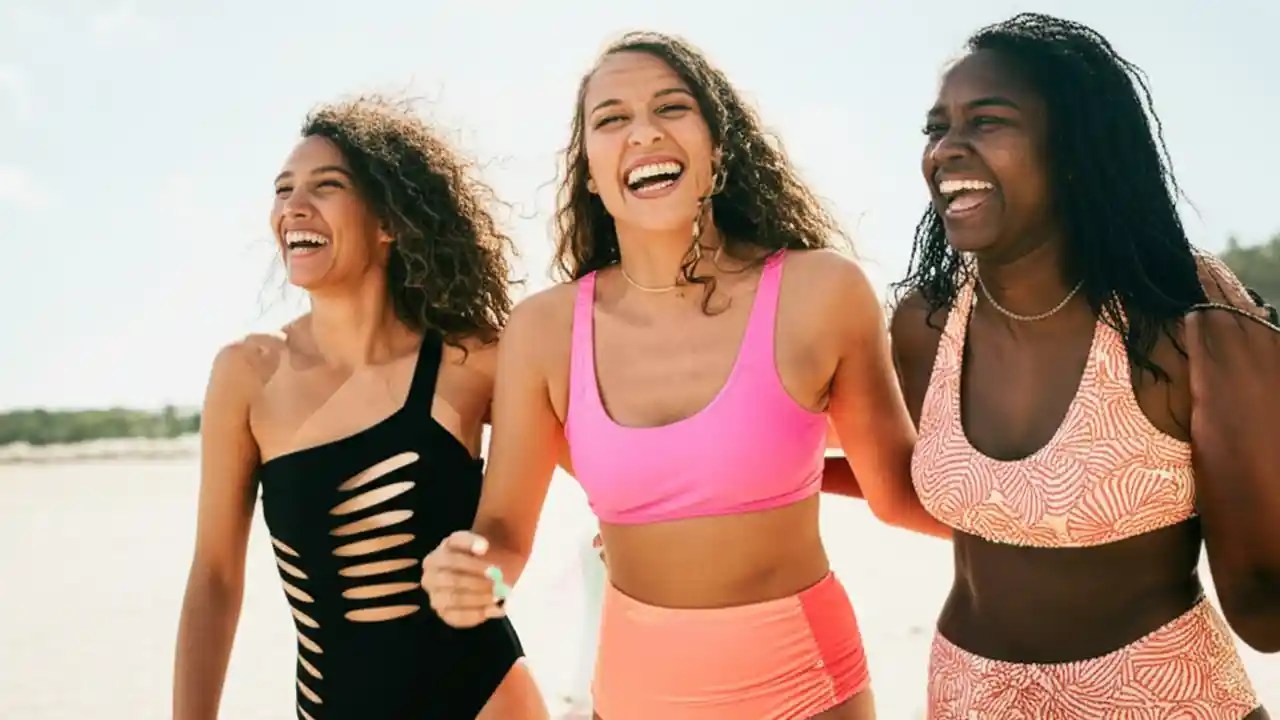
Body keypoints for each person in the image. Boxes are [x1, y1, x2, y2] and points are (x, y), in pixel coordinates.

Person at [420, 31, 948, 720]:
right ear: (589, 170)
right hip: (634, 702)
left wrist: (1086, 522)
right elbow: (504, 542)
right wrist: (478, 579)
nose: (643, 132)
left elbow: (903, 494)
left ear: (716, 147)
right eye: (612, 119)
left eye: (671, 108)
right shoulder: (545, 332)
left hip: (811, 695)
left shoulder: (820, 294)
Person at [893, 13, 1277, 718]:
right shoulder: (926, 326)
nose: (947, 147)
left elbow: (1264, 609)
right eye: (937, 126)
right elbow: (971, 494)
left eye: (987, 121)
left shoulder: (1184, 334)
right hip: (965, 701)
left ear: (1074, 150)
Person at [172, 96, 547, 720]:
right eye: (283, 189)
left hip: (487, 702)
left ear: (388, 222)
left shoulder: (472, 360)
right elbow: (214, 577)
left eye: (327, 185)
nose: (294, 206)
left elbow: (599, 478)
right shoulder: (247, 375)